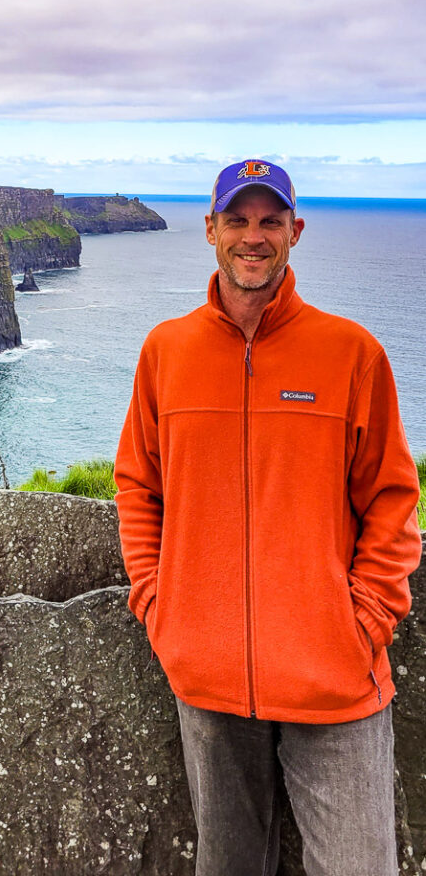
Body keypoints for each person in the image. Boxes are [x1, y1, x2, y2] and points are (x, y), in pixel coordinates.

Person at [114, 158, 422, 876]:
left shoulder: (352, 353)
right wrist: (162, 608)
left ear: (295, 231)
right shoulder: (166, 351)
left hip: (333, 678)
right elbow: (138, 487)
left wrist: (365, 620)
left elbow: (392, 499)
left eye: (271, 222)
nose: (254, 238)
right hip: (208, 678)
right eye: (239, 221)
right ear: (212, 229)